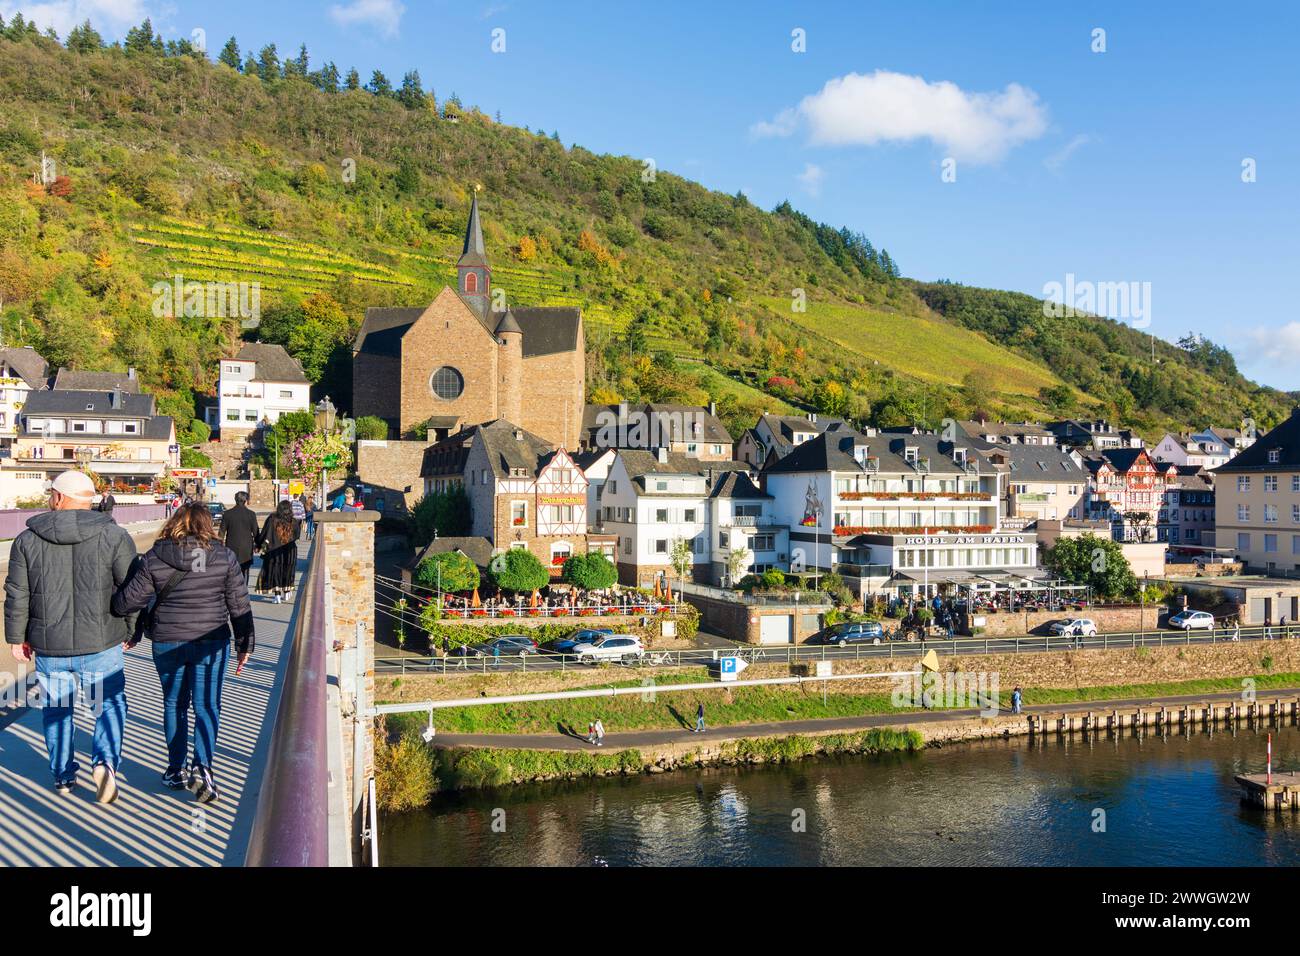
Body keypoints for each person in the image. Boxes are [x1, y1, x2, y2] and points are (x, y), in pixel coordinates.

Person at [4, 470, 138, 801]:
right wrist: (132, 627)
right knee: (108, 704)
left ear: (60, 498)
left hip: (50, 645)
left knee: (57, 707)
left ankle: (63, 775)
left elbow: (17, 593)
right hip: (102, 640)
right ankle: (105, 762)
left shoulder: (27, 540)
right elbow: (133, 587)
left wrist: (15, 637)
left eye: (51, 493)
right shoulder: (114, 535)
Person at [112, 502, 254, 803]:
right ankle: (202, 765)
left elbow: (126, 603)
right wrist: (245, 645)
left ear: (175, 522)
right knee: (206, 706)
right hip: (211, 643)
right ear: (208, 525)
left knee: (174, 703)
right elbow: (239, 606)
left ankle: (174, 769)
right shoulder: (223, 557)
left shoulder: (155, 557)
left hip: (168, 641)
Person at [256, 499, 300, 603]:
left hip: (275, 549)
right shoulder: (293, 521)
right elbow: (297, 535)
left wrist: (259, 544)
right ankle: (287, 591)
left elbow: (265, 533)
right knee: (288, 570)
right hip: (290, 550)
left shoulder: (272, 519)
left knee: (276, 571)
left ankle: (277, 596)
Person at [221, 491, 259, 585]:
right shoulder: (251, 514)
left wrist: (219, 546)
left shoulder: (227, 514)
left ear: (235, 500)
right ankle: (244, 590)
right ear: (246, 500)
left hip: (231, 546)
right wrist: (257, 545)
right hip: (246, 547)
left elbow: (221, 532)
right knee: (245, 570)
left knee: (231, 570)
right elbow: (256, 532)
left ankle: (232, 590)